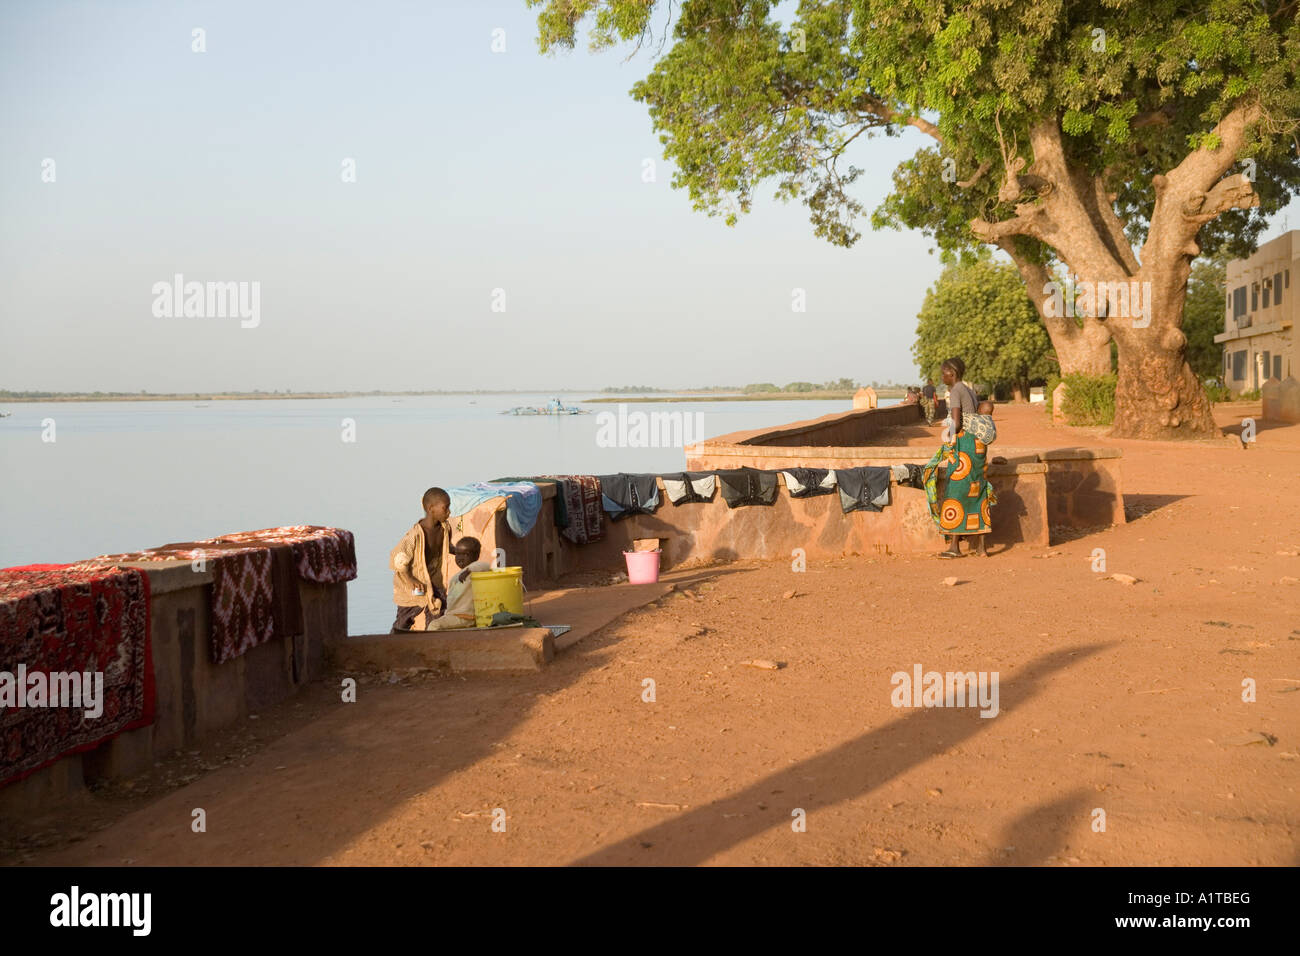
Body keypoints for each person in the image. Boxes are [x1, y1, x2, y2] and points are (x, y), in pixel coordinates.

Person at [925, 358, 993, 558]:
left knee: (955, 492)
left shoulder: (955, 390)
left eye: (944, 373)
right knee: (978, 491)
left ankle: (954, 547)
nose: (941, 376)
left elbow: (956, 422)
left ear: (952, 374)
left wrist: (946, 435)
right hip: (978, 447)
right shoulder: (969, 389)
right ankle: (981, 548)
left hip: (964, 446)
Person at [390, 487, 451, 632]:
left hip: (435, 582)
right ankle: (392, 643)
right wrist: (411, 580)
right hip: (413, 585)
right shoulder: (414, 535)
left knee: (437, 618)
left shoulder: (445, 528)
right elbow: (399, 560)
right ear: (431, 509)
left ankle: (432, 647)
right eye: (445, 508)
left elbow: (447, 547)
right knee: (404, 621)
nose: (449, 512)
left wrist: (461, 551)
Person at [426, 537, 493, 630]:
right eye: (457, 554)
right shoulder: (457, 576)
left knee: (434, 626)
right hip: (455, 616)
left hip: (466, 617)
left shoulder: (473, 570)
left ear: (476, 556)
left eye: (466, 554)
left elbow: (484, 566)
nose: (460, 558)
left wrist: (470, 570)